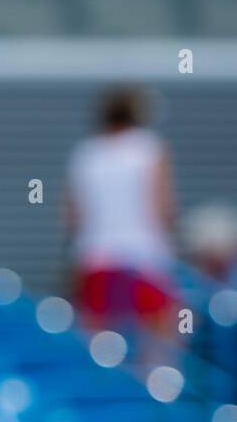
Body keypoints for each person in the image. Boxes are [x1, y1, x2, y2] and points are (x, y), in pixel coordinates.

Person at [65, 86, 180, 365]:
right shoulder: (150, 148)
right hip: (143, 258)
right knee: (161, 339)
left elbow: (72, 216)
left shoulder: (86, 153)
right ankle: (156, 394)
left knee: (95, 343)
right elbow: (163, 208)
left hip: (96, 259)